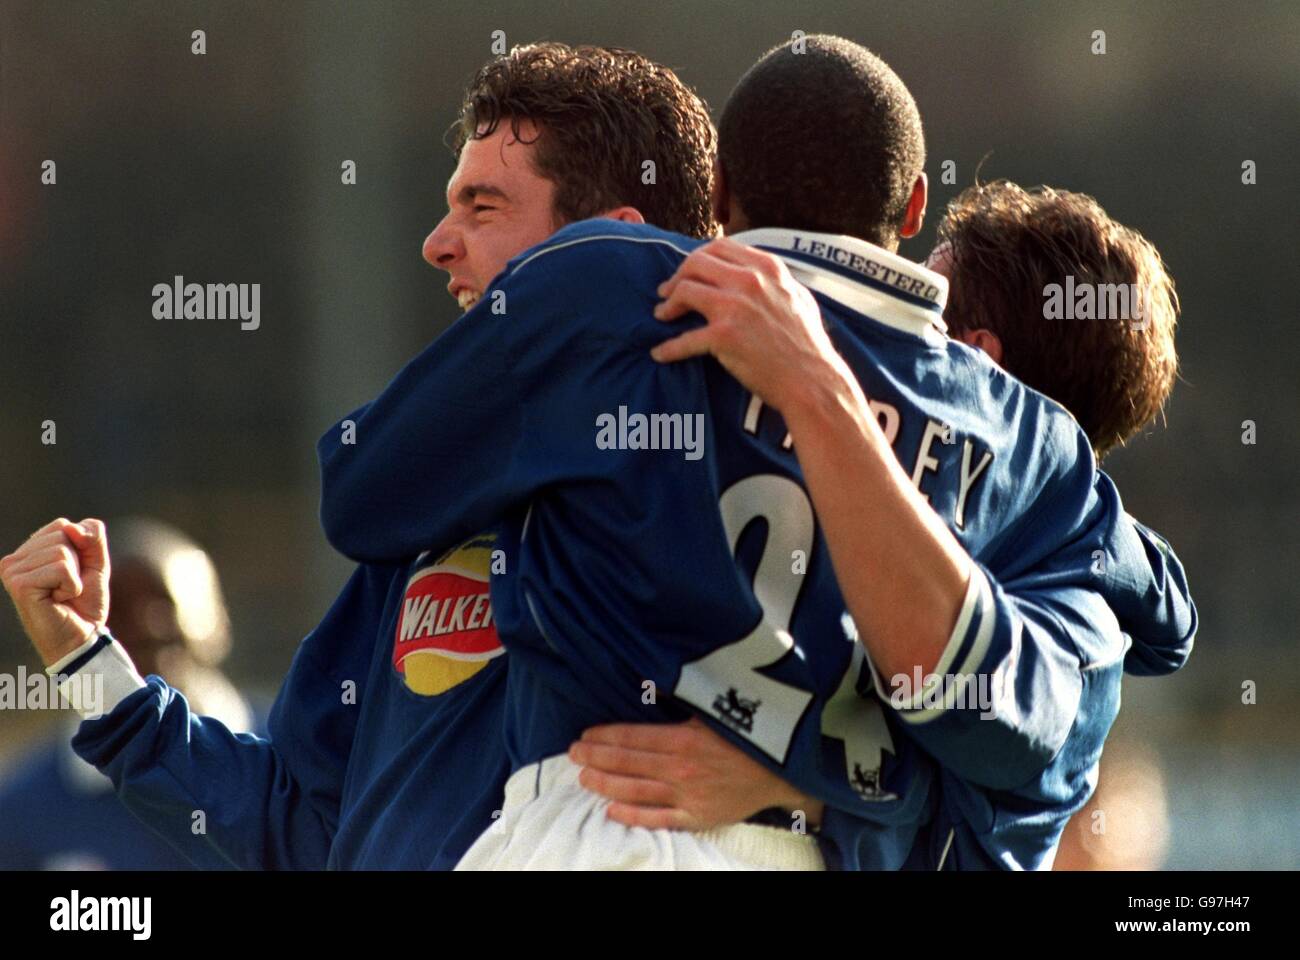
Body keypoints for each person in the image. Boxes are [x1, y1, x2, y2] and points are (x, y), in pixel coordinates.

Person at [310, 35, 1186, 869]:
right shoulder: (1038, 462)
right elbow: (1023, 750)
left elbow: (362, 494)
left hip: (586, 823)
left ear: (719, 189)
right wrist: (818, 783)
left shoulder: (609, 287)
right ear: (911, 203)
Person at [0, 44, 726, 871]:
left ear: (613, 250)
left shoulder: (739, 471)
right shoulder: (427, 509)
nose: (437, 242)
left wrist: (784, 780)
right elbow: (302, 828)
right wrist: (89, 665)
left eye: (483, 207)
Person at [0, 518, 258, 870]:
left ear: (218, 618)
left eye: (166, 602)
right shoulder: (23, 807)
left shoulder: (296, 756)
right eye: (117, 611)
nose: (145, 625)